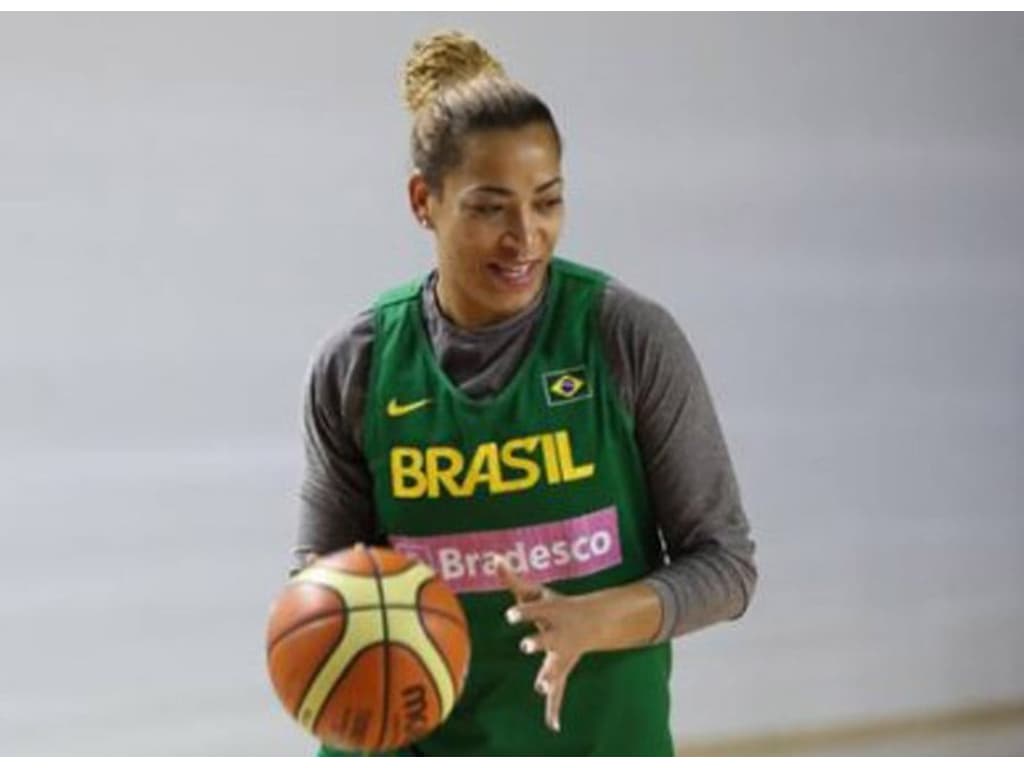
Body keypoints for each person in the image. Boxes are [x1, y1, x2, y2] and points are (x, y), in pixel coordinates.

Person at [293, 30, 757, 757]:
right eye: (489, 208)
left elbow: (725, 566)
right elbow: (320, 587)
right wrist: (325, 652)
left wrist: (594, 620)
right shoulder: (358, 364)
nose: (526, 236)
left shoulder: (626, 337)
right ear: (425, 201)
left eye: (547, 202)